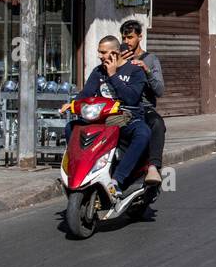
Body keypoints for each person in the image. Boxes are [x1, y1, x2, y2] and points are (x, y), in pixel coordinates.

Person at [61, 36, 150, 201]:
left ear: (115, 53)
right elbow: (86, 94)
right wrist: (73, 104)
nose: (100, 56)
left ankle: (118, 179)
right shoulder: (98, 71)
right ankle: (77, 170)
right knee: (71, 128)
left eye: (104, 52)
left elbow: (131, 98)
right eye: (99, 52)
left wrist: (113, 75)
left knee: (143, 133)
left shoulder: (135, 71)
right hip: (100, 121)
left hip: (127, 119)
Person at [120, 19, 165, 187]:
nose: (127, 42)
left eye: (130, 37)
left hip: (143, 108)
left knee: (157, 123)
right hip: (121, 108)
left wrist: (146, 70)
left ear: (139, 37)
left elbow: (160, 90)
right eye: (124, 38)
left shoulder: (151, 59)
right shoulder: (119, 58)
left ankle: (153, 166)